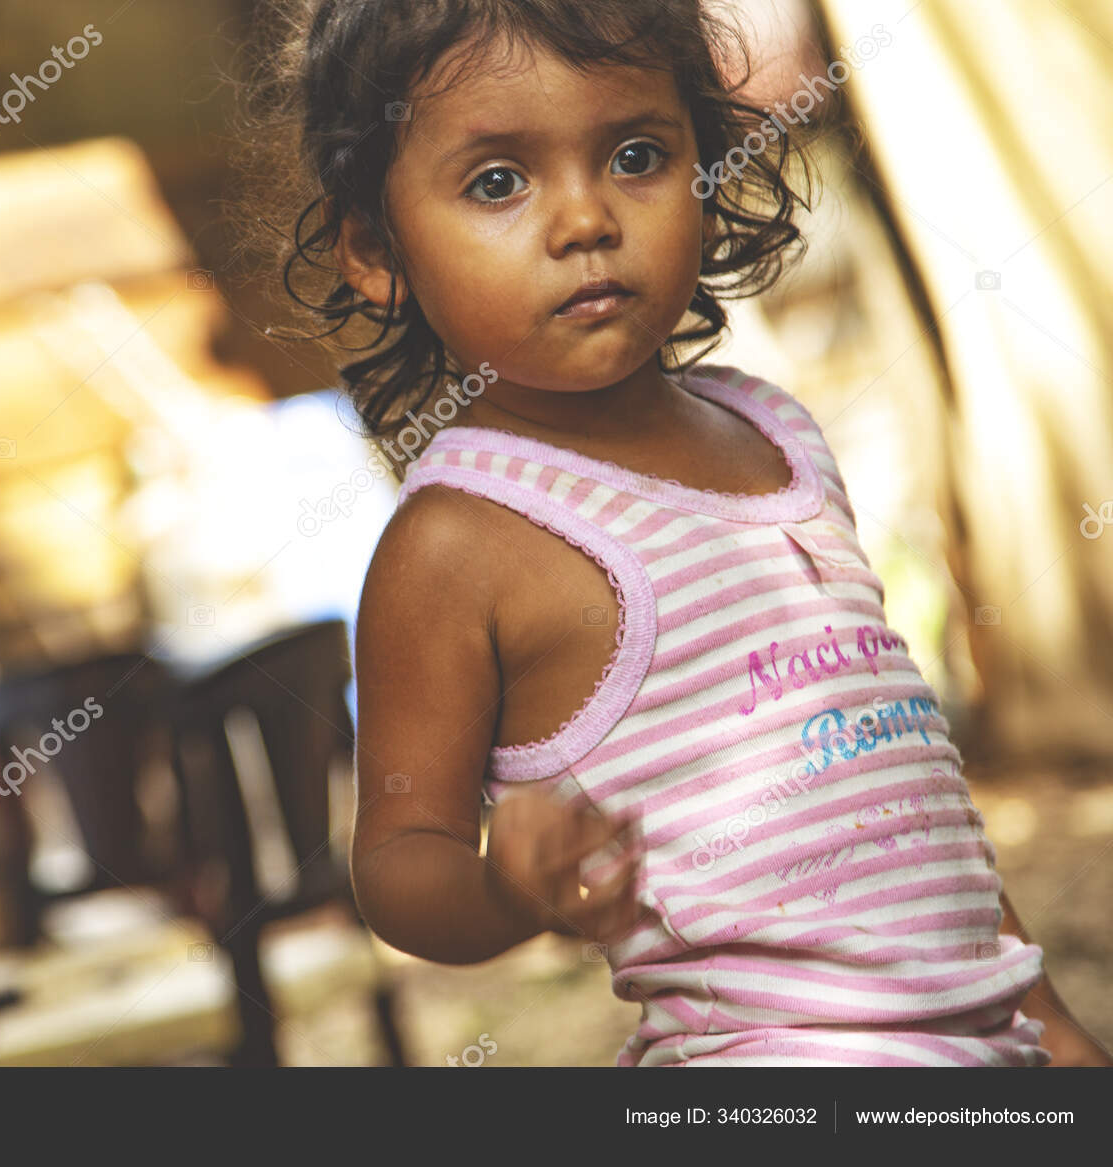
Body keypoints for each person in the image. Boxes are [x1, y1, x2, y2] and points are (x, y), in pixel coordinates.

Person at [245, 0, 1113, 1066]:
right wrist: (507, 892)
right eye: (498, 182)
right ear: (376, 250)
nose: (583, 220)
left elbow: (912, 805)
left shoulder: (775, 433)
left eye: (637, 154)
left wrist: (1049, 1022)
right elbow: (396, 861)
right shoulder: (459, 542)